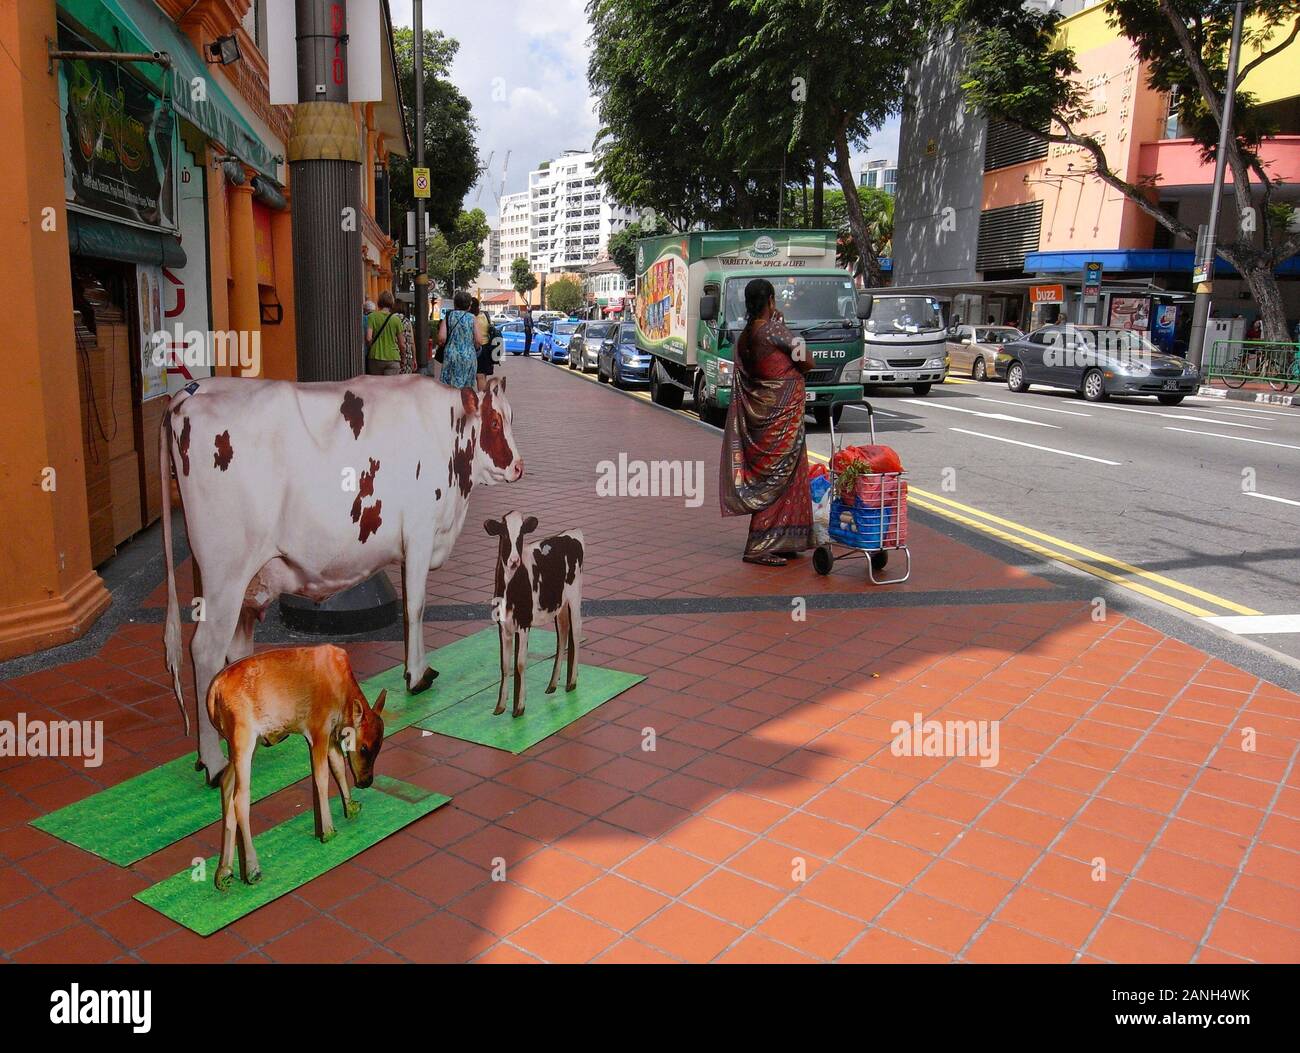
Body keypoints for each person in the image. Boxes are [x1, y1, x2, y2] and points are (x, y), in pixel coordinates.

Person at [719, 278, 813, 566]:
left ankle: (785, 540)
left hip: (764, 417)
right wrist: (783, 328)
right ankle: (760, 545)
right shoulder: (773, 330)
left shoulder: (745, 336)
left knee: (785, 476)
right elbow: (807, 360)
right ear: (771, 301)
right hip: (782, 415)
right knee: (777, 478)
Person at [437, 290, 478, 390]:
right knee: (466, 389)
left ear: (455, 304)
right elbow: (479, 340)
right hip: (469, 356)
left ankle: (451, 404)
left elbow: (442, 338)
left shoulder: (448, 316)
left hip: (451, 356)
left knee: (449, 388)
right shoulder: (472, 318)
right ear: (469, 305)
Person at [365, 291, 407, 376]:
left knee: (377, 386)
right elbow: (402, 344)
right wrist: (403, 359)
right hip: (393, 359)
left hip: (375, 358)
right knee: (390, 388)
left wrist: (373, 347)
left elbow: (368, 338)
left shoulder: (372, 317)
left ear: (379, 302)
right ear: (392, 303)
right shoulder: (396, 320)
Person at [472, 296, 495, 392]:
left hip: (475, 348)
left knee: (479, 376)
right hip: (486, 349)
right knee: (483, 376)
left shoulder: (471, 318)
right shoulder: (485, 315)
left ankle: (481, 400)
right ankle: (485, 398)